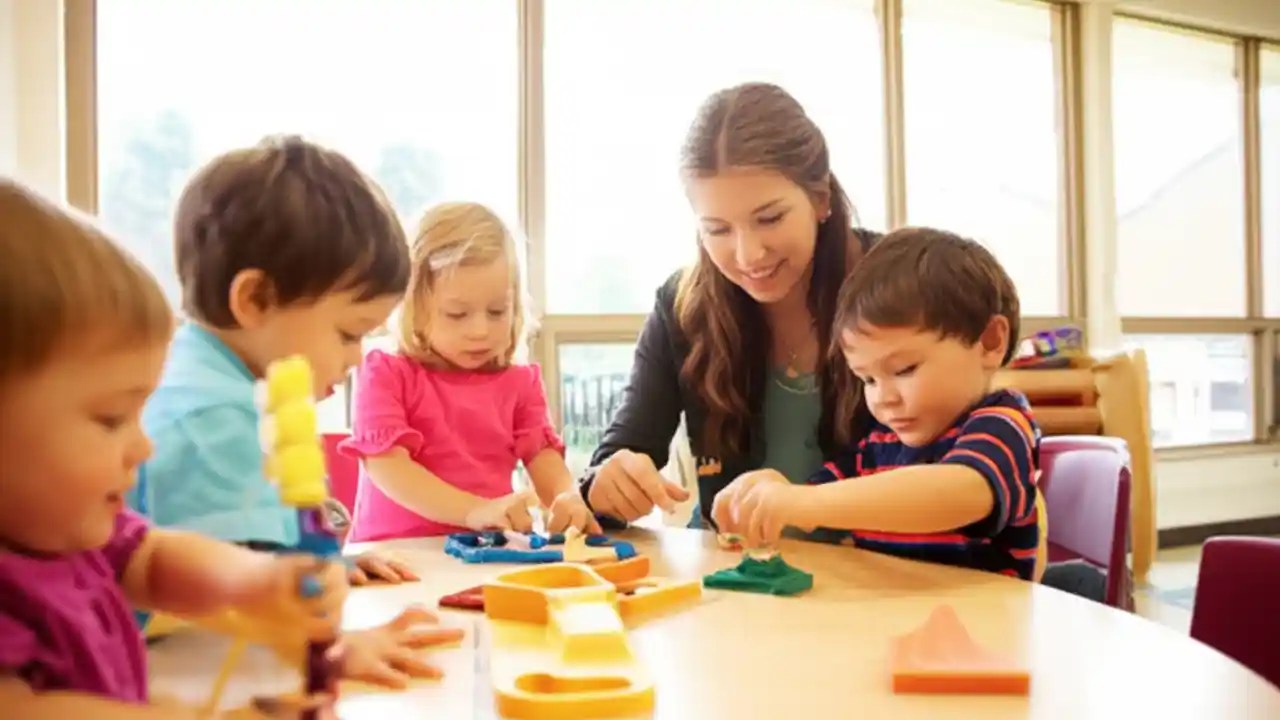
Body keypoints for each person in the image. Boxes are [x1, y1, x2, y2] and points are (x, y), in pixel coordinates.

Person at [0, 179, 462, 718]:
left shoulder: (66, 530)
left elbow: (152, 561)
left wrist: (259, 581)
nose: (143, 445)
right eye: (109, 420)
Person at [577, 82, 879, 528]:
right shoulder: (681, 306)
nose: (748, 255)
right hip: (731, 578)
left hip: (877, 581)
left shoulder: (897, 284)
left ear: (820, 198)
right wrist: (603, 485)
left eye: (770, 218)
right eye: (717, 229)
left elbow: (957, 465)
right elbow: (624, 448)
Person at [133, 136, 414, 585]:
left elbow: (258, 556)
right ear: (256, 299)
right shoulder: (214, 418)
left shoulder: (206, 380)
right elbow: (231, 593)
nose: (356, 358)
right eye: (348, 333)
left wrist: (325, 561)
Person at [711, 228, 1042, 580]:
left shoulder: (1002, 424)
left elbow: (961, 492)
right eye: (867, 379)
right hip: (897, 622)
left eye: (903, 370)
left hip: (985, 628)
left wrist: (802, 504)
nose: (884, 398)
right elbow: (824, 495)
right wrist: (779, 492)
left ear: (990, 341)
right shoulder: (881, 442)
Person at [339, 202, 599, 542]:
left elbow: (543, 457)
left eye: (497, 311)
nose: (480, 330)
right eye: (457, 314)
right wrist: (473, 511)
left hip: (487, 550)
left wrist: (567, 497)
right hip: (396, 558)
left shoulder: (520, 383)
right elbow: (388, 467)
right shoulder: (385, 372)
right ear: (415, 307)